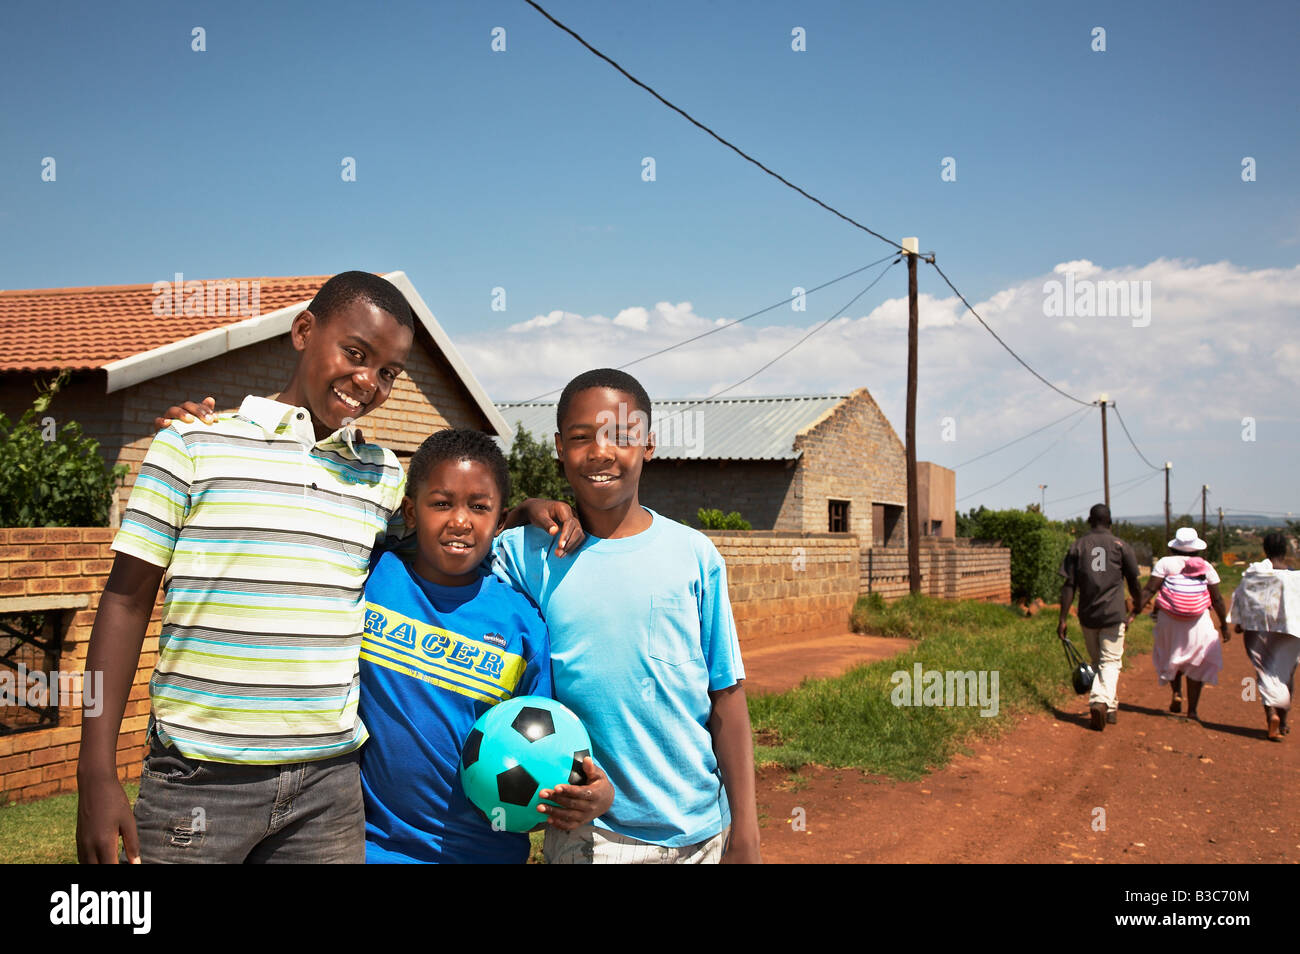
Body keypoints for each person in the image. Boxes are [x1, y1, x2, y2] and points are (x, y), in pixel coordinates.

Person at [77, 271, 417, 863]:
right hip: (199, 782)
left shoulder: (381, 475)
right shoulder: (191, 446)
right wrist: (94, 773)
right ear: (304, 331)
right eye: (356, 353)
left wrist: (526, 510)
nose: (368, 382)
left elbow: (447, 534)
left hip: (330, 787)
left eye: (387, 371)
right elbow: (126, 602)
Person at [492, 368, 761, 864]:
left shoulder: (694, 555)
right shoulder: (528, 554)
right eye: (580, 438)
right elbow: (458, 540)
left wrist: (745, 826)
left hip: (699, 828)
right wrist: (522, 510)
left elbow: (726, 692)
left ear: (648, 445)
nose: (600, 452)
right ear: (557, 447)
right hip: (590, 835)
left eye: (620, 436)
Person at [359, 429, 612, 862]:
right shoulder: (371, 577)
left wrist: (579, 795)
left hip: (483, 849)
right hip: (372, 846)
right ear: (411, 512)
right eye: (441, 503)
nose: (460, 520)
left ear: (499, 522)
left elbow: (545, 747)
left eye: (479, 507)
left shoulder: (521, 623)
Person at [1125, 527, 1230, 722]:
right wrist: (1224, 625)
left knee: (1173, 653)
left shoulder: (1165, 563)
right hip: (1198, 620)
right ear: (1196, 548)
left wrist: (1133, 614)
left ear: (1175, 546)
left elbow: (1149, 590)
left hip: (1169, 619)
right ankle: (1192, 710)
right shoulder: (1206, 566)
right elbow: (1217, 599)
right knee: (1196, 661)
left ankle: (1176, 693)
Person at [1056, 503, 1142, 731]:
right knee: (1111, 662)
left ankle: (1110, 708)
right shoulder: (1120, 546)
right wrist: (1139, 603)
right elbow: (1134, 580)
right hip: (1113, 614)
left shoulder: (1078, 546)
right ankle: (1099, 702)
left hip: (1088, 615)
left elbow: (1069, 585)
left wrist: (1063, 618)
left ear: (1089, 521)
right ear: (1111, 522)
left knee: (1099, 662)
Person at [1227, 532, 1300, 741]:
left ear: (1265, 550)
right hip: (1291, 631)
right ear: (1285, 550)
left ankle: (1271, 716)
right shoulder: (1295, 578)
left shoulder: (1254, 575)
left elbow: (1242, 597)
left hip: (1259, 631)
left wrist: (1239, 622)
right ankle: (1284, 721)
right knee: (1286, 673)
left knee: (1265, 673)